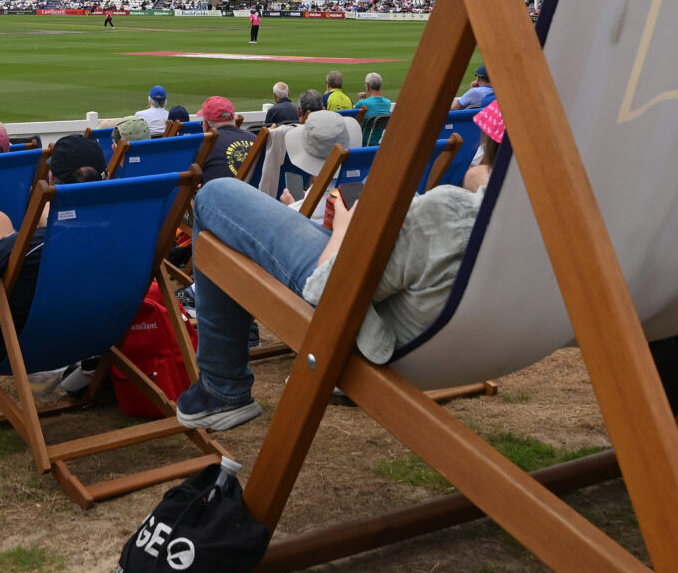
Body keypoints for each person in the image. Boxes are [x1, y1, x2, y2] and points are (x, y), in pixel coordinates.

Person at [174, 104, 505, 431]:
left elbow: (327, 290)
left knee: (217, 195)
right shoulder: (536, 228)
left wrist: (346, 230)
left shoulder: (453, 212)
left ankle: (223, 386)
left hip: (369, 327)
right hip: (471, 344)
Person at [0, 133, 112, 402]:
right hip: (93, 337)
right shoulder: (126, 236)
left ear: (52, 180)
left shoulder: (20, 248)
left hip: (10, 349)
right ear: (105, 178)